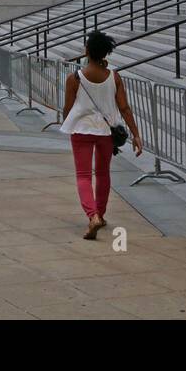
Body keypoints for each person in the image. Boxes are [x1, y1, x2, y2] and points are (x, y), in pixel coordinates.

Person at [59, 31, 142, 240]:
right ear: (105, 53)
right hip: (106, 131)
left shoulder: (74, 78)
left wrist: (70, 120)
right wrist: (136, 134)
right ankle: (101, 214)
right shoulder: (114, 77)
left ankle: (92, 216)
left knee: (83, 175)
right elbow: (124, 107)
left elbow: (67, 109)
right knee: (103, 173)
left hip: (81, 130)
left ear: (87, 51)